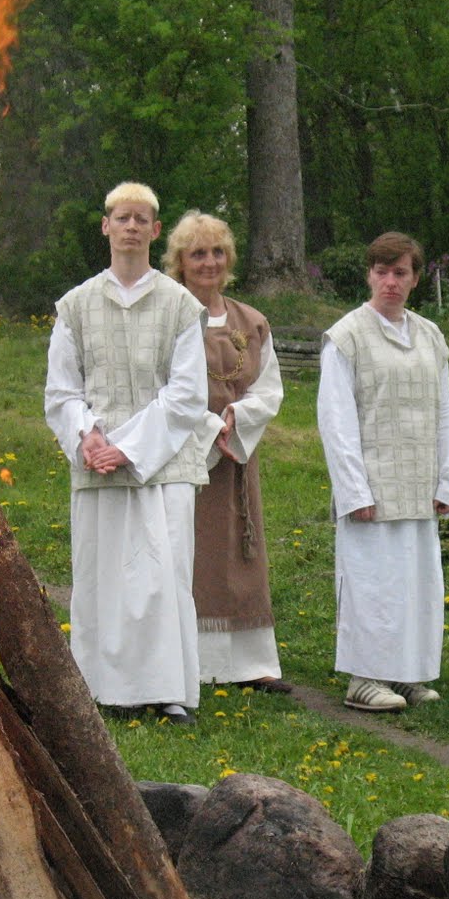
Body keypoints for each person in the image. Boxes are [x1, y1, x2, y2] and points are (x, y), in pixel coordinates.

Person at [44, 182, 208, 725]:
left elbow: (187, 395)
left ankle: (169, 690)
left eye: (143, 219)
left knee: (164, 575)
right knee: (102, 574)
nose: (132, 226)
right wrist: (88, 437)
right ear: (106, 226)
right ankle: (100, 685)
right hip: (96, 461)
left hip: (164, 464)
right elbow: (62, 390)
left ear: (156, 230)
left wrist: (128, 447)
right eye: (122, 217)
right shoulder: (76, 306)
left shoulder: (181, 305)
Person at [317, 232, 449, 712]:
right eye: (381, 271)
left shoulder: (430, 336)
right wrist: (354, 490)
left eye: (400, 272)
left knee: (416, 582)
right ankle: (365, 677)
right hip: (372, 486)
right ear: (369, 275)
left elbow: (445, 411)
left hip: (418, 482)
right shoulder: (346, 337)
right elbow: (336, 422)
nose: (390, 281)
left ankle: (408, 674)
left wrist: (446, 479)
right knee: (372, 582)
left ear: (415, 278)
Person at [162, 211, 290, 693]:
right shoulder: (169, 316)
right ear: (180, 262)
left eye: (217, 252)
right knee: (196, 555)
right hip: (186, 453)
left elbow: (269, 386)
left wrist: (239, 420)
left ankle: (250, 665)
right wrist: (209, 426)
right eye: (197, 253)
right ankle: (195, 663)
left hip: (237, 455)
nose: (209, 262)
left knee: (241, 555)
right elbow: (163, 387)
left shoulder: (251, 322)